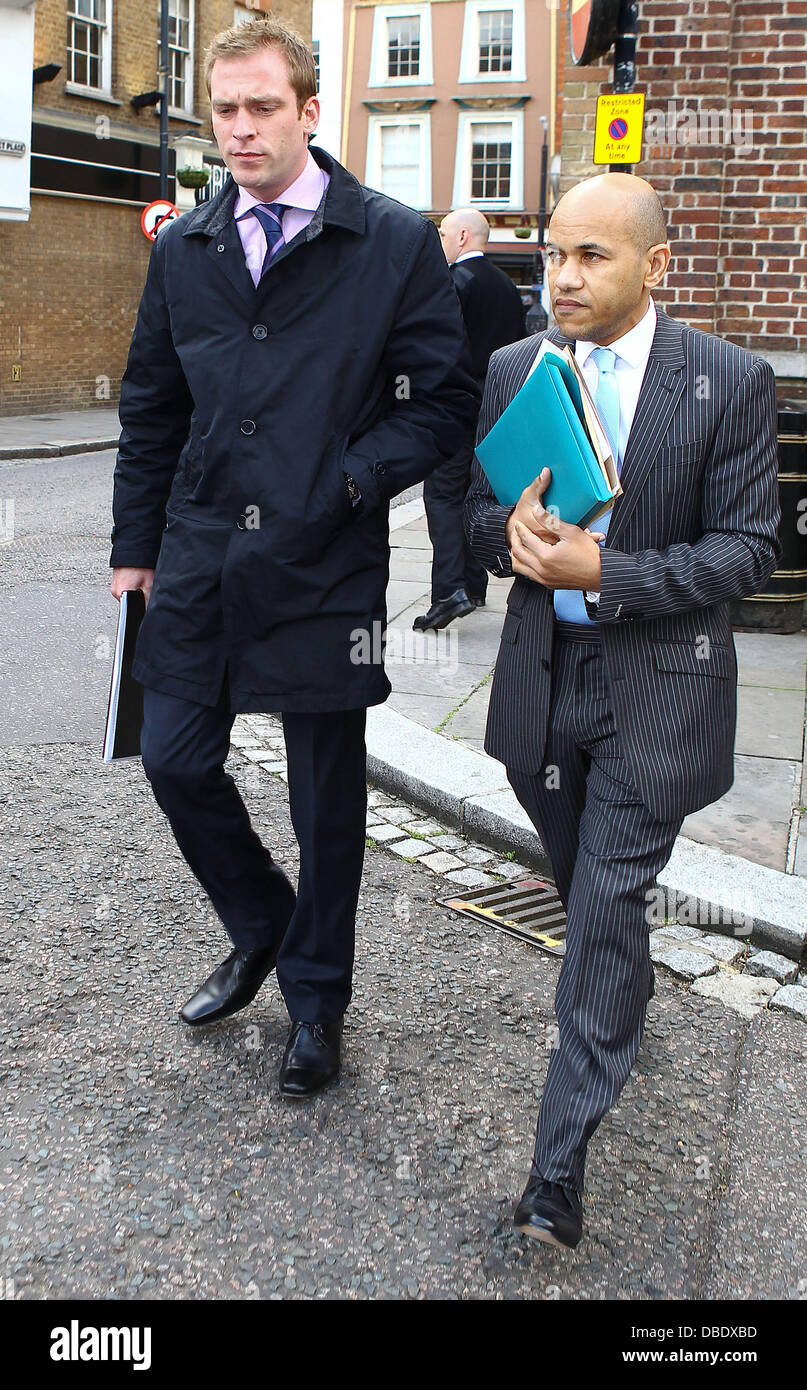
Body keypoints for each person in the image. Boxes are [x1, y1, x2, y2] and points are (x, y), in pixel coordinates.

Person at [109, 17, 479, 1098]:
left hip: (328, 560)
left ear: (309, 111)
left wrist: (352, 483)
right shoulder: (185, 246)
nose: (240, 127)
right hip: (201, 550)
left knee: (326, 798)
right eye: (224, 108)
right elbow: (150, 405)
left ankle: (317, 1001)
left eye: (262, 105)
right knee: (175, 757)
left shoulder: (393, 241)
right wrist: (136, 548)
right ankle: (262, 917)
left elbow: (442, 403)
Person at [465, 173, 780, 1248]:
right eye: (554, 252)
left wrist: (608, 569)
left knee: (601, 903)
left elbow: (750, 550)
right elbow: (467, 513)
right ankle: (621, 998)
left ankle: (557, 1174)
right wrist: (503, 538)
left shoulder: (727, 380)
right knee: (586, 884)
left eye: (591, 255)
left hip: (661, 686)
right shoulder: (515, 366)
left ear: (655, 265)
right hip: (541, 688)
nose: (562, 274)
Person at [412, 208, 526, 632]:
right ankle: (474, 586)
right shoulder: (506, 287)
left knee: (441, 497)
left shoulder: (455, 282)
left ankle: (448, 592)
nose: (440, 241)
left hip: (454, 408)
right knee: (477, 496)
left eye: (443, 233)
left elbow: (437, 347)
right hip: (495, 410)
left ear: (462, 237)